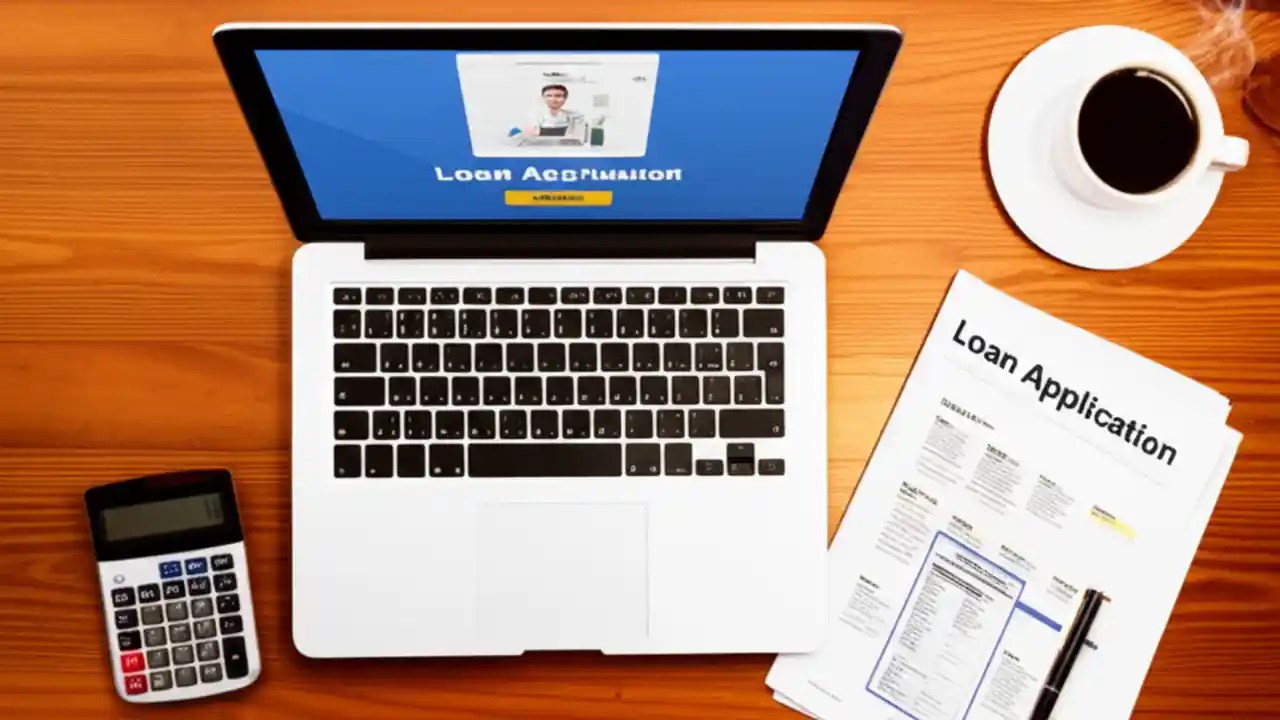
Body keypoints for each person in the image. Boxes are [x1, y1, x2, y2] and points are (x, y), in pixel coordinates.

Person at [519, 84, 584, 137]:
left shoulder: (575, 116)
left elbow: (577, 137)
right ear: (543, 98)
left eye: (558, 96)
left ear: (565, 98)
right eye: (549, 96)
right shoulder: (534, 116)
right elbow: (530, 137)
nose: (553, 99)